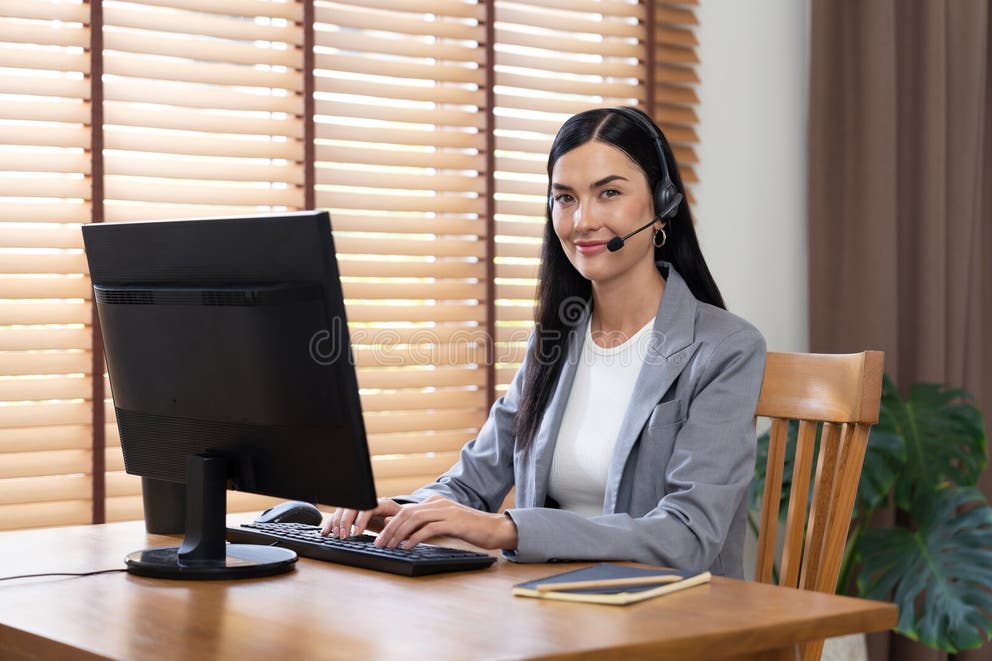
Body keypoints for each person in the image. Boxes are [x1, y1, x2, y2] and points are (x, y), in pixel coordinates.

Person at [322, 107, 767, 578]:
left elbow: (688, 534)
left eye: (609, 193)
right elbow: (473, 483)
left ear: (663, 205)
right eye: (565, 198)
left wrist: (510, 530)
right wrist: (405, 510)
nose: (583, 221)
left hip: (671, 608)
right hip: (556, 599)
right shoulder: (554, 339)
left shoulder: (726, 349)